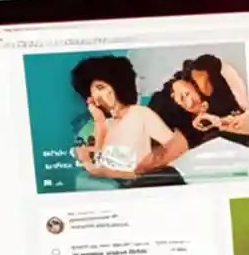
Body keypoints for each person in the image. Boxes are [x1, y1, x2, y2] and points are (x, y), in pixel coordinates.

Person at [69, 55, 187, 187]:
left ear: (116, 84)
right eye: (93, 92)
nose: (99, 96)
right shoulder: (105, 125)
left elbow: (176, 147)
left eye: (101, 87)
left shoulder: (140, 113)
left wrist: (152, 164)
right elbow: (99, 163)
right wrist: (99, 121)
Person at [147, 54, 249, 151]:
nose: (189, 103)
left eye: (184, 96)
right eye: (183, 103)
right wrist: (218, 122)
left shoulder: (209, 73)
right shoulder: (200, 130)